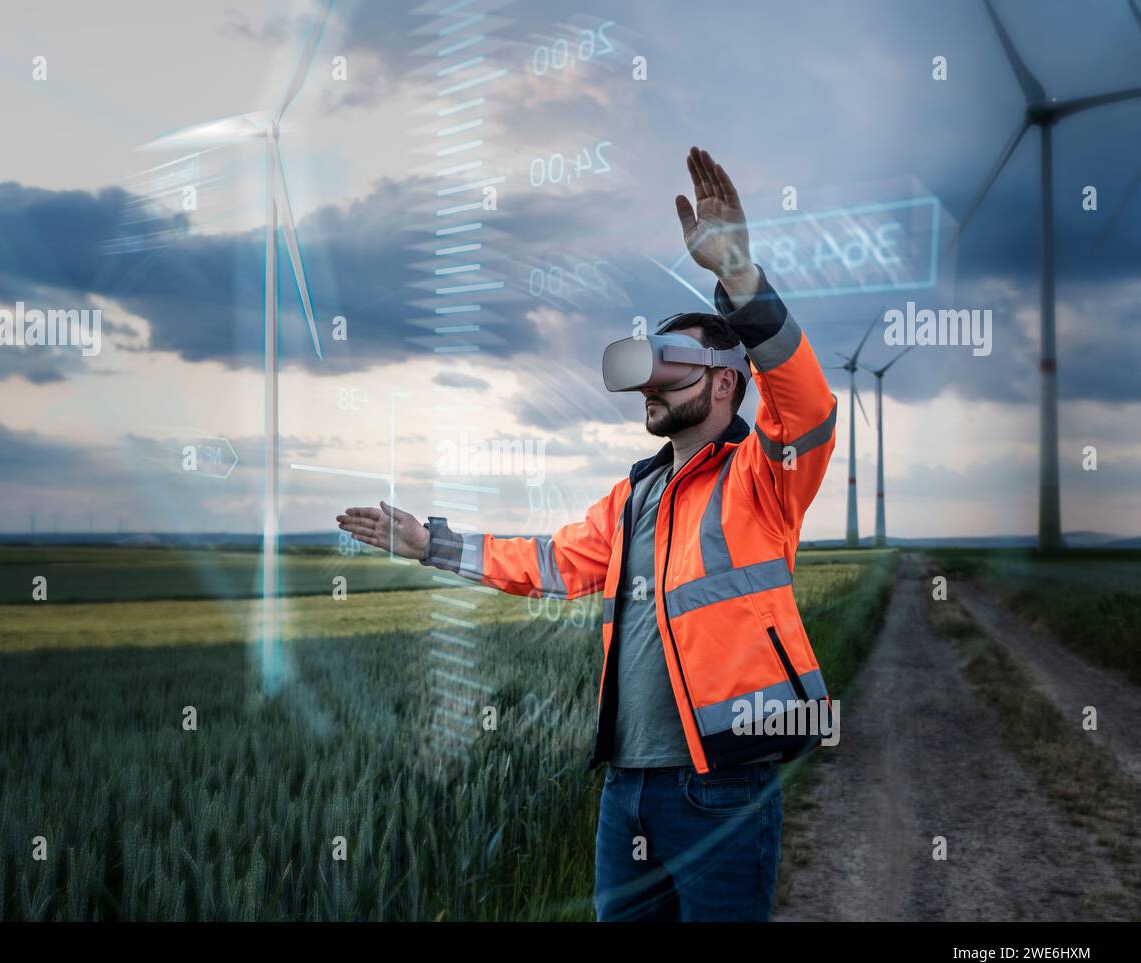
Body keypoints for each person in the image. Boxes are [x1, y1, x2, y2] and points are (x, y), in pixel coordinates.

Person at [337, 146, 837, 921]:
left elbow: (805, 406)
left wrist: (740, 276)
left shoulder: (762, 478)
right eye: (648, 365)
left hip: (722, 787)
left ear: (724, 381)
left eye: (671, 367)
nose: (649, 383)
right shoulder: (634, 497)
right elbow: (542, 562)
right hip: (625, 790)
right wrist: (427, 544)